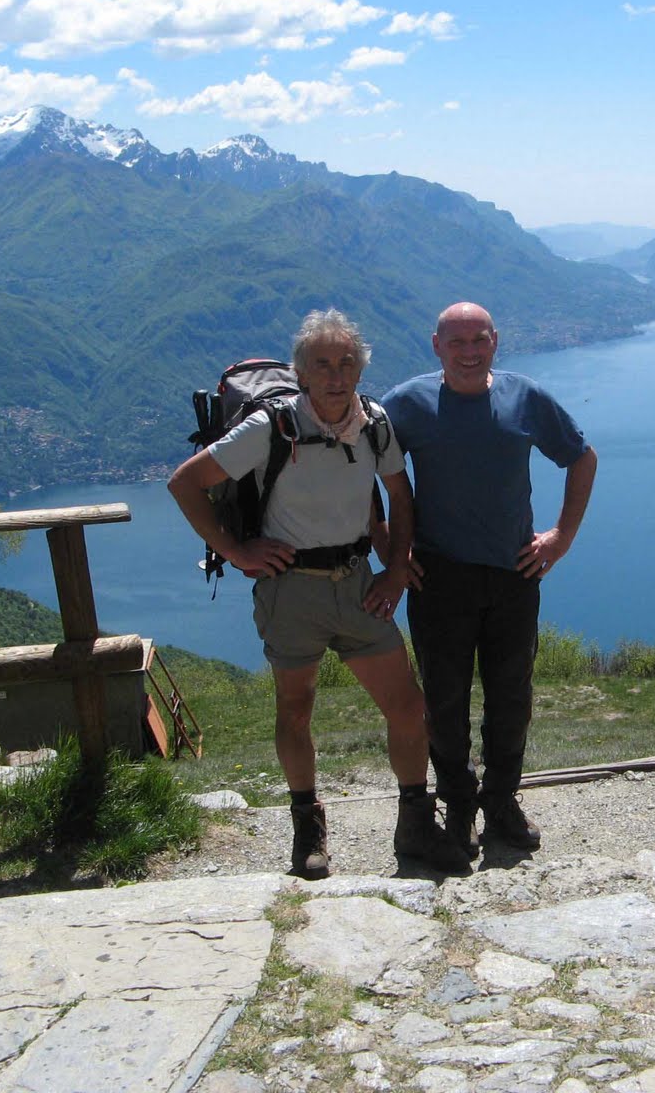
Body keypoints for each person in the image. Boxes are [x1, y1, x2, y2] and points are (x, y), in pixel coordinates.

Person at [167, 308, 468, 879]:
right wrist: (237, 551)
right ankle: (307, 828)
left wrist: (395, 570)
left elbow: (400, 497)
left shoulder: (374, 423)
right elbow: (185, 483)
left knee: (408, 708)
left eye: (347, 363)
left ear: (360, 369)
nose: (336, 375)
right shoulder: (271, 427)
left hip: (357, 585)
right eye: (323, 364)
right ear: (301, 373)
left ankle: (415, 825)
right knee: (296, 708)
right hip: (291, 591)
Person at [382, 302, 598, 857]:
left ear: (495, 340)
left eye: (479, 339)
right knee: (444, 700)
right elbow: (362, 474)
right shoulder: (405, 404)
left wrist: (561, 537)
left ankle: (501, 802)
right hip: (438, 577)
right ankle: (458, 805)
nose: (469, 351)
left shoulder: (525, 397)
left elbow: (582, 457)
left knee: (511, 697)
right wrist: (392, 554)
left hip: (513, 572)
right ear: (436, 346)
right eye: (457, 342)